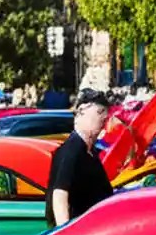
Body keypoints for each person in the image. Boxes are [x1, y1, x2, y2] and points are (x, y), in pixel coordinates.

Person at [45, 89, 112, 227]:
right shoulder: (72, 149)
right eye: (99, 112)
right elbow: (59, 195)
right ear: (81, 112)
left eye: (105, 114)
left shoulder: (89, 151)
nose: (103, 118)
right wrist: (64, 233)